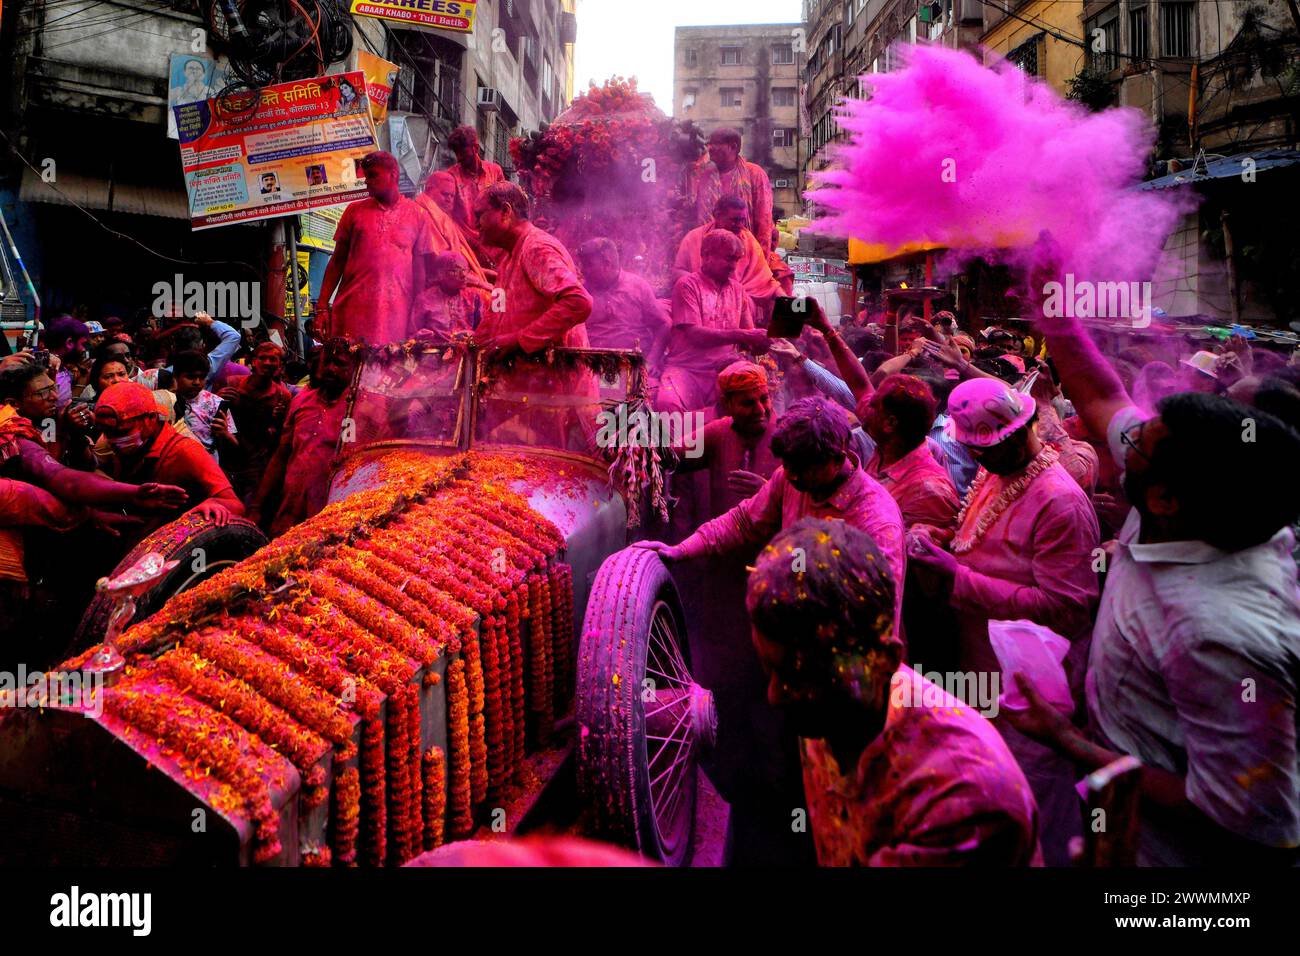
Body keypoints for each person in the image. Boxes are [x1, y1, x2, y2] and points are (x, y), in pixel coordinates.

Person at [1004, 302, 1300, 866]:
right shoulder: (1193, 500)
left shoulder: (1223, 635)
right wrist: (1051, 302)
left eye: (1136, 445)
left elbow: (1247, 820)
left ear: (1163, 498)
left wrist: (1068, 743)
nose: (1124, 441)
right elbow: (1100, 393)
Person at [748, 517, 1042, 866]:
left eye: (801, 677)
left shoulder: (963, 796)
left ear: (886, 660)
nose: (775, 696)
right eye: (771, 670)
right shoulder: (836, 702)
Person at [908, 376, 1100, 865]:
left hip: (1033, 696)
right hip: (984, 677)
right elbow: (980, 536)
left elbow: (1070, 608)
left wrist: (959, 578)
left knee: (1033, 815)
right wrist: (944, 535)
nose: (977, 461)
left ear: (1021, 432)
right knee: (994, 808)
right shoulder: (997, 473)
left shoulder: (1059, 501)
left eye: (985, 450)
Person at [639, 397, 906, 626]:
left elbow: (874, 617)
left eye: (800, 468)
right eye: (786, 464)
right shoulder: (791, 477)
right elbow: (743, 520)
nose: (789, 475)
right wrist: (681, 550)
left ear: (838, 459)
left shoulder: (877, 522)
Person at [472, 182, 594, 447]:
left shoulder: (535, 248)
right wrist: (468, 347)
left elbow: (578, 302)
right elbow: (496, 312)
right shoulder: (507, 258)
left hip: (557, 393)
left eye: (479, 215)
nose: (475, 224)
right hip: (525, 397)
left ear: (505, 212)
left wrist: (519, 339)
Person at [316, 151, 436, 344]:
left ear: (393, 174)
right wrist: (321, 308)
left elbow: (420, 271)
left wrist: (418, 311)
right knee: (347, 369)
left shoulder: (418, 215)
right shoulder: (354, 211)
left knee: (389, 371)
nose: (367, 182)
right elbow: (337, 261)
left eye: (373, 175)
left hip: (396, 316)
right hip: (352, 313)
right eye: (366, 176)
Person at [94, 382, 242, 534]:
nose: (114, 440)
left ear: (151, 418)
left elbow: (234, 504)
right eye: (107, 432)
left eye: (123, 432)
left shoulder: (186, 451)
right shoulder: (126, 448)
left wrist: (208, 507)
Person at [657, 230, 768, 415]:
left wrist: (763, 342)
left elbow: (749, 340)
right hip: (687, 369)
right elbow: (696, 335)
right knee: (667, 405)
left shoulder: (738, 291)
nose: (733, 266)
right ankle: (681, 445)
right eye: (728, 258)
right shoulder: (687, 285)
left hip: (726, 370)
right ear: (706, 256)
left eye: (736, 260)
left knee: (755, 406)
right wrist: (745, 335)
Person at [250, 340, 355, 536]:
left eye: (340, 363)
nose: (331, 369)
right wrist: (257, 506)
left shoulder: (359, 408)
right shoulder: (300, 401)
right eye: (327, 362)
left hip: (332, 519)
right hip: (290, 511)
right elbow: (282, 455)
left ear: (354, 367)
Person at [672, 360, 778, 518]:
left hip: (778, 542)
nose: (760, 410)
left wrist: (768, 492)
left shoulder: (787, 435)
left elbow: (809, 500)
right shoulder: (719, 433)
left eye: (764, 399)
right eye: (748, 403)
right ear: (727, 404)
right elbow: (669, 456)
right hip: (724, 539)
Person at [860, 374, 960, 534]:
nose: (865, 410)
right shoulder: (887, 451)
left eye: (873, 406)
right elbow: (860, 386)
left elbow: (913, 556)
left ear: (890, 423)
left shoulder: (929, 492)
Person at [576, 238, 671, 367]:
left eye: (588, 264)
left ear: (606, 263)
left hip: (634, 367)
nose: (583, 270)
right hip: (593, 368)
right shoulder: (582, 293)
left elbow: (663, 325)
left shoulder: (637, 287)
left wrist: (652, 361)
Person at [673, 196, 781, 307]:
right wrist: (703, 287)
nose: (739, 225)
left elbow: (764, 279)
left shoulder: (747, 239)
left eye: (742, 220)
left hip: (740, 302)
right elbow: (678, 271)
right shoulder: (694, 237)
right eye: (735, 220)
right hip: (699, 299)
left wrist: (789, 302)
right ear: (717, 215)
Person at [218, 342, 293, 504]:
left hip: (258, 465)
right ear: (253, 361)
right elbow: (214, 414)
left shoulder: (282, 395)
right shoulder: (232, 384)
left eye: (273, 359)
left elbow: (283, 436)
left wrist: (279, 419)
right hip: (229, 458)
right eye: (262, 358)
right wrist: (218, 398)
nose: (267, 363)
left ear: (280, 364)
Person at [691, 127, 775, 255]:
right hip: (711, 255)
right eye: (709, 143)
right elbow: (698, 218)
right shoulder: (705, 176)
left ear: (733, 147)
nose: (710, 148)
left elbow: (764, 221)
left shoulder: (754, 173)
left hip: (746, 252)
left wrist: (760, 259)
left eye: (716, 144)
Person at [414, 170, 491, 289]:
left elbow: (458, 258)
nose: (449, 199)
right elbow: (442, 264)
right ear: (429, 190)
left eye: (452, 196)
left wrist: (480, 271)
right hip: (438, 290)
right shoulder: (422, 214)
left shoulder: (442, 216)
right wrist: (479, 282)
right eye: (445, 194)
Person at [445, 126, 505, 259]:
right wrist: (474, 244)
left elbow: (503, 209)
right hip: (466, 249)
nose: (460, 159)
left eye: (464, 155)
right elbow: (447, 219)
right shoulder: (450, 177)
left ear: (476, 148)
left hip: (494, 247)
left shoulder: (495, 172)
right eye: (457, 155)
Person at [412, 252, 486, 338]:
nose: (463, 275)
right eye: (455, 271)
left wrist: (472, 334)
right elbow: (412, 336)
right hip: (435, 349)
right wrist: (420, 337)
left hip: (468, 348)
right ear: (440, 274)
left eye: (465, 270)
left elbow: (485, 331)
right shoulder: (425, 299)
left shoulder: (474, 297)